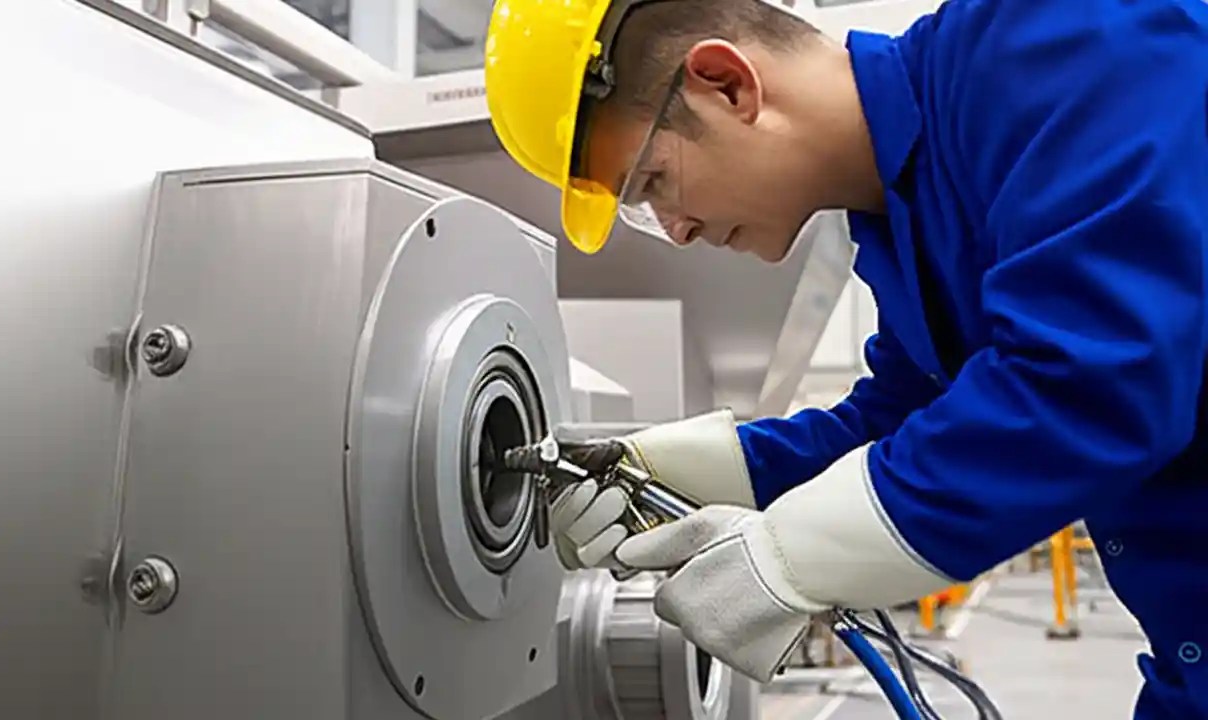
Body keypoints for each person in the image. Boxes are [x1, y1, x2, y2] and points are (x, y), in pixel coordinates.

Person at [484, 0, 1208, 716]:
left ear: (727, 84)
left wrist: (794, 560)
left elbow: (1099, 382)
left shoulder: (1065, 34)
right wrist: (686, 468)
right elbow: (903, 419)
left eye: (653, 186)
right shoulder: (905, 220)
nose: (675, 231)